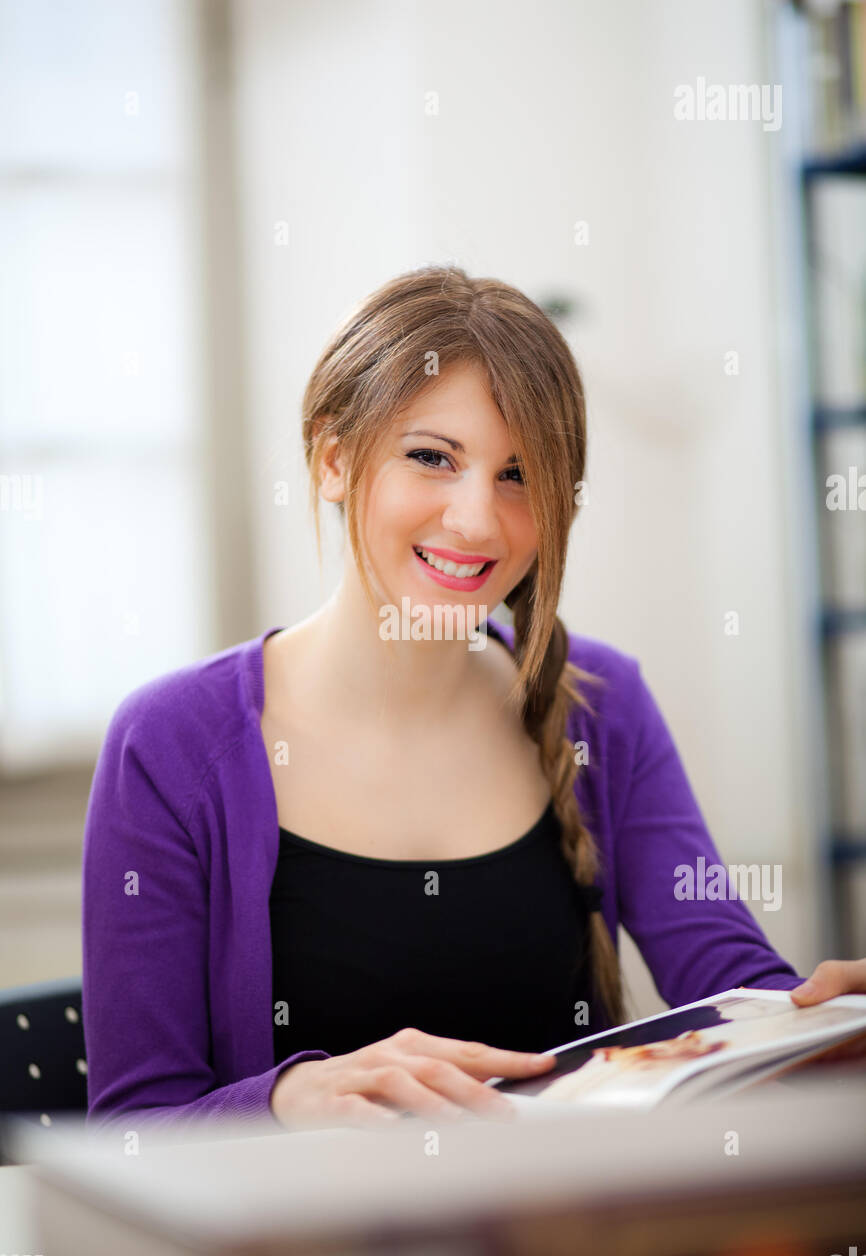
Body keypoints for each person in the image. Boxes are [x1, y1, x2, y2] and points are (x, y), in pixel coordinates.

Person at [81, 264, 866, 1137]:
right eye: (432, 458)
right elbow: (133, 1127)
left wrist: (821, 1022)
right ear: (334, 456)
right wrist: (283, 1100)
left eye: (519, 475)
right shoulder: (168, 744)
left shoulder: (603, 708)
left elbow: (730, 985)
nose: (477, 521)